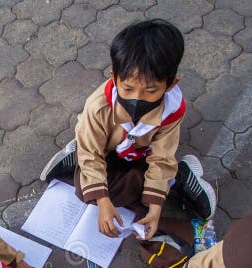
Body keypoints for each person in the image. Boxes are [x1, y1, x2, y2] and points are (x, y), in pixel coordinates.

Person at [39, 20, 216, 240]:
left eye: (151, 90)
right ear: (114, 77)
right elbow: (93, 157)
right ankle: (79, 150)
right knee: (88, 190)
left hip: (142, 157)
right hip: (110, 152)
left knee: (147, 194)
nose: (137, 99)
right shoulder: (98, 107)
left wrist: (155, 208)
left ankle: (180, 176)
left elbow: (161, 158)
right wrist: (103, 202)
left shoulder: (171, 110)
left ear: (170, 85)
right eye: (128, 88)